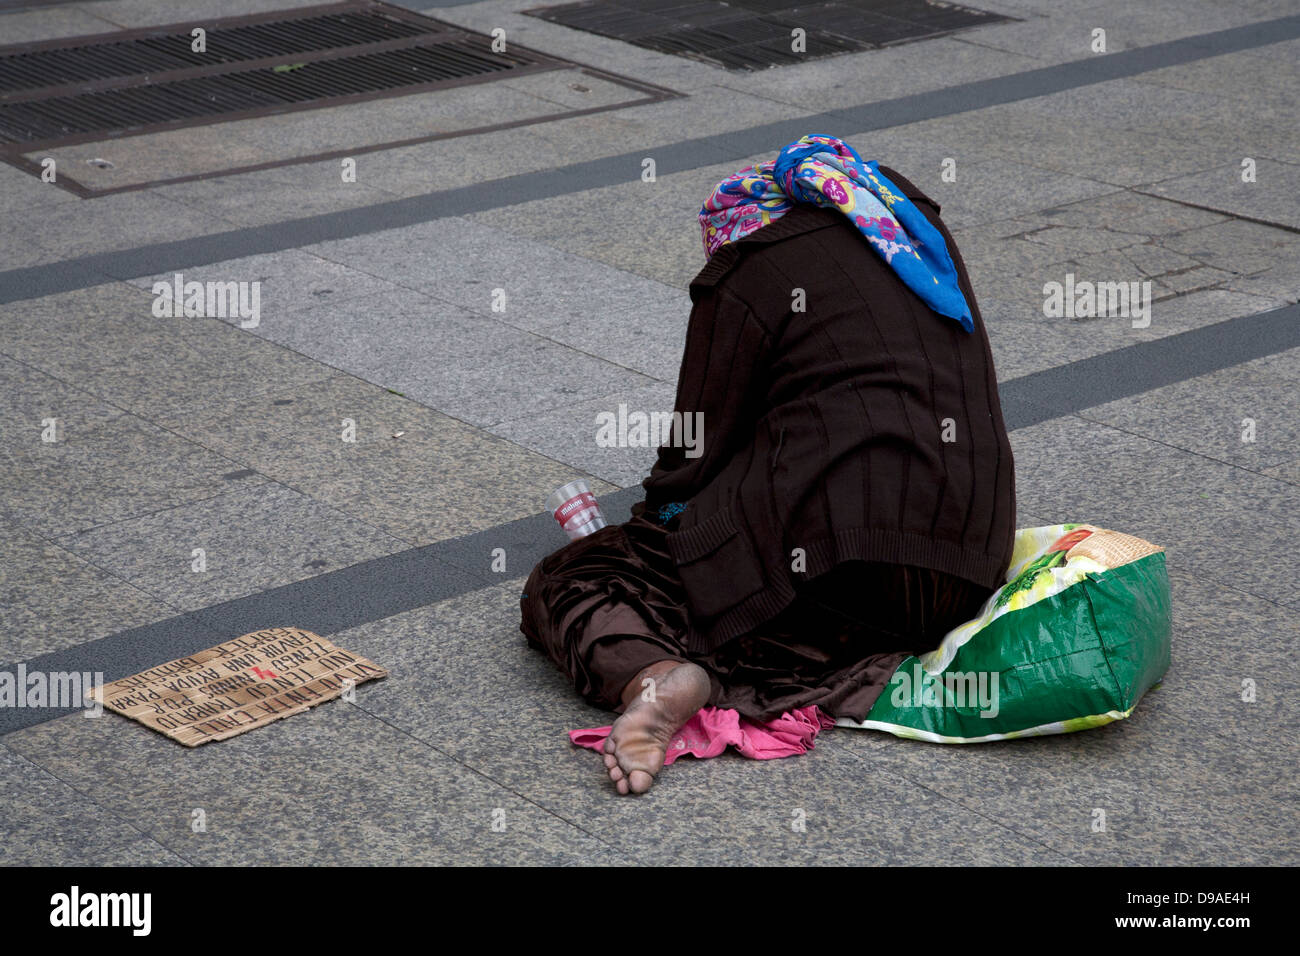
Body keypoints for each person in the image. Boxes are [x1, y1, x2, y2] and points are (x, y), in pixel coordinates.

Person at [520, 134, 1016, 795]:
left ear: (736, 229)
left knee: (576, 581)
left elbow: (693, 456)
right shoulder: (910, 227)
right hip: (967, 566)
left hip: (834, 568)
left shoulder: (747, 269)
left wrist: (647, 540)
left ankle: (657, 680)